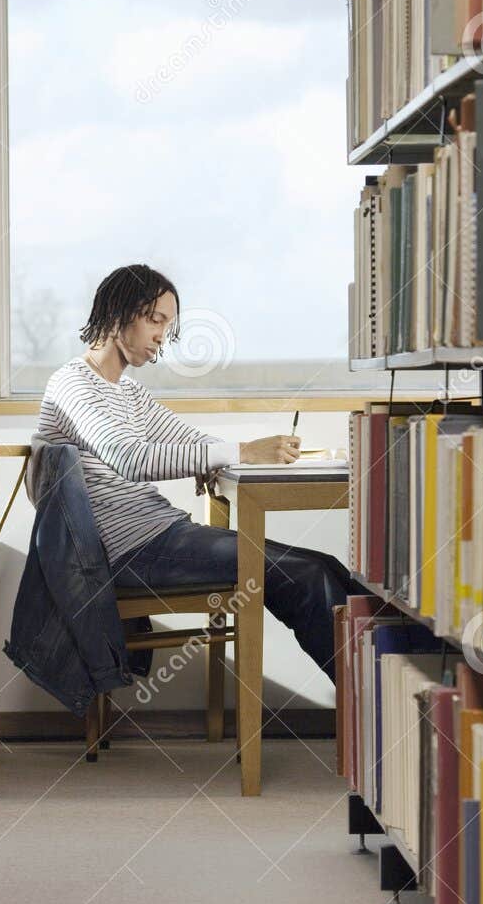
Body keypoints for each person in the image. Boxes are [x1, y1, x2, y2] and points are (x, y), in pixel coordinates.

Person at [35, 263, 364, 682]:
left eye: (167, 326)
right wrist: (241, 451)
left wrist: (222, 455)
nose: (161, 336)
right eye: (155, 320)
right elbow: (131, 458)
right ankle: (368, 703)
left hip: (162, 536)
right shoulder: (73, 384)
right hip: (130, 552)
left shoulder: (128, 391)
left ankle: (397, 673)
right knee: (305, 574)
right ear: (118, 314)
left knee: (325, 565)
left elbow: (192, 440)